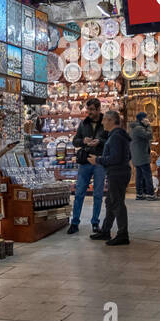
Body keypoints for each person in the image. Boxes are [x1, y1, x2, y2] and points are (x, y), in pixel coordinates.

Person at [89, 110, 132, 245]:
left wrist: (98, 160)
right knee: (110, 202)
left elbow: (115, 158)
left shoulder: (116, 137)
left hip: (117, 173)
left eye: (105, 120)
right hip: (118, 172)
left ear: (111, 121)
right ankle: (106, 230)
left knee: (117, 203)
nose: (102, 122)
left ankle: (123, 234)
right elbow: (127, 156)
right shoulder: (117, 135)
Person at [68, 97, 107, 234]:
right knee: (79, 193)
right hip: (85, 162)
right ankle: (74, 222)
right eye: (87, 109)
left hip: (99, 161)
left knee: (97, 193)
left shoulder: (106, 122)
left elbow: (110, 139)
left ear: (98, 109)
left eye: (91, 110)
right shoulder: (83, 124)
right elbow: (75, 141)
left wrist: (100, 142)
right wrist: (83, 141)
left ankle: (95, 222)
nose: (88, 112)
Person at [130, 112, 157, 199]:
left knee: (139, 176)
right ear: (142, 119)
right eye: (146, 118)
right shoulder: (138, 128)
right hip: (141, 156)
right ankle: (151, 194)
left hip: (138, 155)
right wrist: (149, 126)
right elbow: (148, 135)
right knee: (147, 175)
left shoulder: (136, 127)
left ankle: (140, 194)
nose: (148, 119)